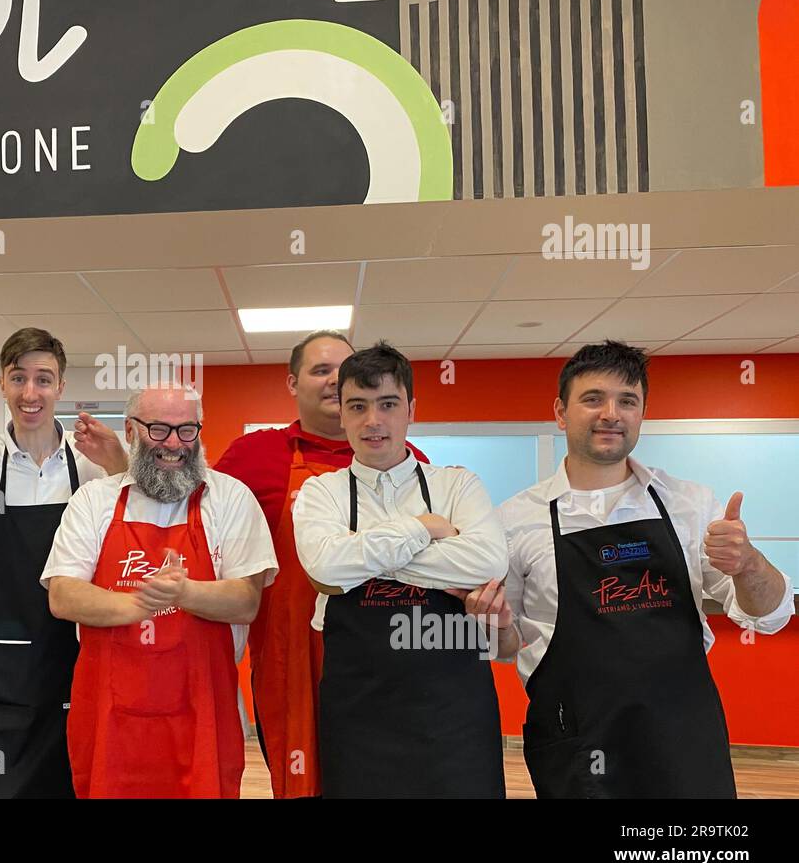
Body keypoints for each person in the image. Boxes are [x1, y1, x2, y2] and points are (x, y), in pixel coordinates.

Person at [498, 341, 794, 798]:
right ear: (561, 412)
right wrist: (488, 622)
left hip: (682, 742)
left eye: (627, 401)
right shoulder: (516, 521)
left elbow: (767, 617)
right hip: (578, 747)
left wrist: (749, 563)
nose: (611, 413)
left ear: (642, 413)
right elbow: (504, 644)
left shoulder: (689, 504)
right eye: (593, 398)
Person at [213, 330, 429, 798]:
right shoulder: (255, 456)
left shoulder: (407, 460)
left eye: (343, 370)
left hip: (385, 651)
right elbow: (192, 519)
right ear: (292, 383)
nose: (335, 381)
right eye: (319, 370)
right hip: (289, 657)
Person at [293, 342, 509, 798]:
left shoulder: (457, 483)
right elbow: (326, 568)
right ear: (343, 415)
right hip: (359, 720)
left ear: (411, 408)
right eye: (358, 406)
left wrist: (363, 556)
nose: (374, 421)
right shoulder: (321, 493)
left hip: (454, 718)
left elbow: (488, 561)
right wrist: (424, 528)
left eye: (388, 404)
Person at [43, 383, 277, 798]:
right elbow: (62, 595)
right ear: (130, 432)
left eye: (187, 430)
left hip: (203, 713)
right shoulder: (93, 501)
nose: (174, 444)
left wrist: (183, 593)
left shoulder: (231, 498)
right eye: (159, 430)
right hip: (109, 717)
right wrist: (139, 602)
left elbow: (246, 601)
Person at [0, 328, 126, 798]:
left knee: (65, 781)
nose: (30, 393)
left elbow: (144, 520)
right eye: (18, 378)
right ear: (1, 383)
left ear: (60, 386)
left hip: (74, 652)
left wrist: (121, 466)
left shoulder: (93, 462)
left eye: (43, 379)